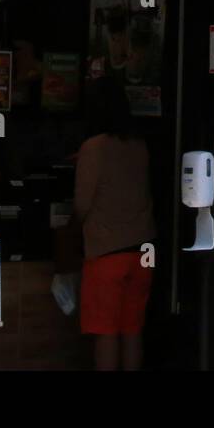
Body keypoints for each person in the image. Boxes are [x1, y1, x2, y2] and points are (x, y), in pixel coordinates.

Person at [73, 76, 157, 370]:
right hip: (144, 250)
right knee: (133, 329)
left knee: (105, 332)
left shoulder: (94, 147)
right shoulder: (139, 145)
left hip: (108, 249)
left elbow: (82, 203)